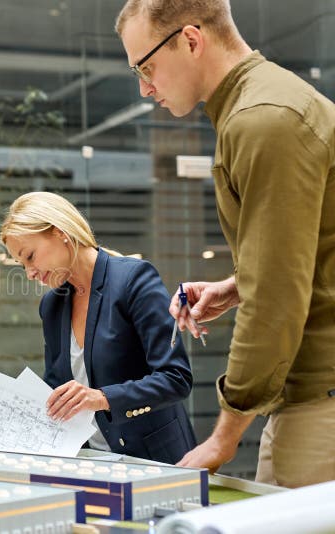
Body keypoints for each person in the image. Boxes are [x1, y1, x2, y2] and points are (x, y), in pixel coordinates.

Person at [116, 0, 335, 487]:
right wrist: (237, 287)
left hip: (322, 403)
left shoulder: (263, 120)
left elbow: (277, 297)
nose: (144, 87)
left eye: (146, 66)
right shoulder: (263, 105)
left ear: (191, 40)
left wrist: (224, 434)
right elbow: (310, 250)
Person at [0, 191, 196, 463]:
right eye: (22, 265)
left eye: (30, 256)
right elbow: (57, 389)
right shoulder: (52, 306)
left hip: (157, 460)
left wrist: (103, 398)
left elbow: (176, 379)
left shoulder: (133, 280)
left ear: (59, 232)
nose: (30, 272)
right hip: (90, 462)